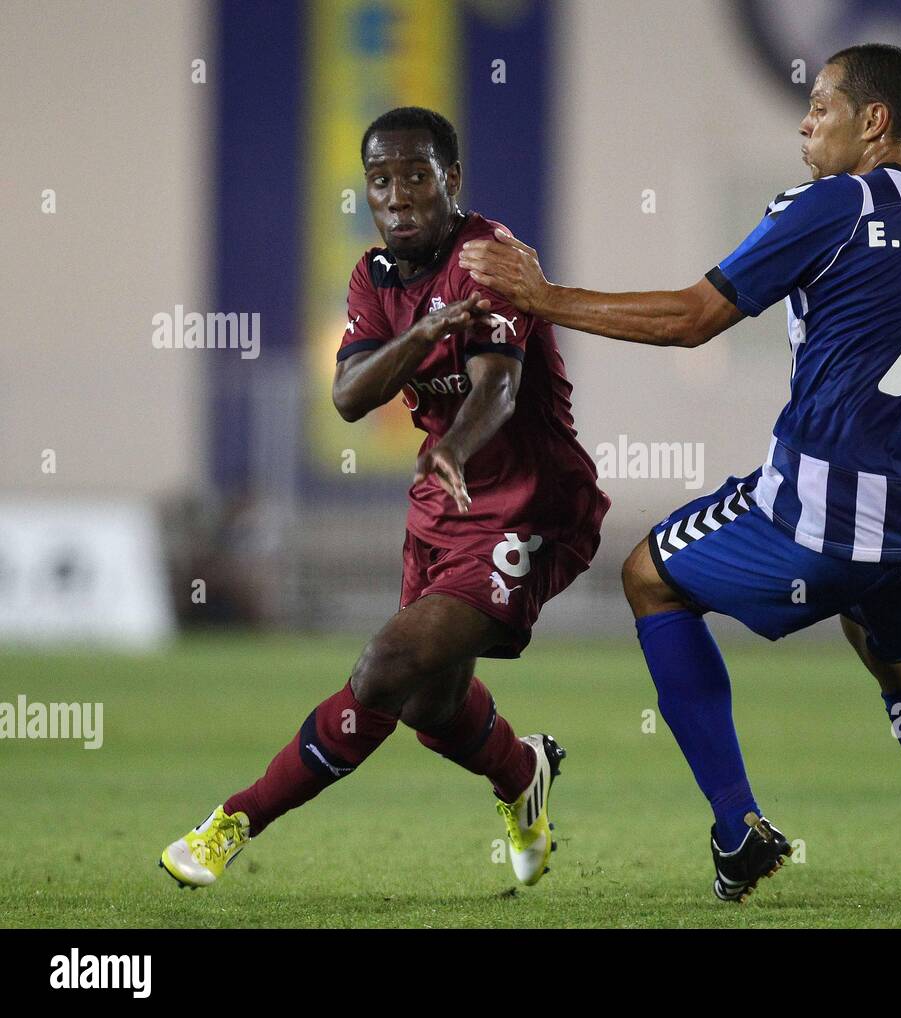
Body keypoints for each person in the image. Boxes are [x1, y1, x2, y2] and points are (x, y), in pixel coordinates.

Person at [459, 45, 901, 906]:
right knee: (895, 650)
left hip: (823, 515)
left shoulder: (828, 207)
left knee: (649, 576)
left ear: (874, 121)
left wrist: (543, 298)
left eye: (822, 104)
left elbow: (693, 319)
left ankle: (737, 829)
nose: (806, 122)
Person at [161, 107, 609, 889]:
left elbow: (497, 390)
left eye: (415, 176)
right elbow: (346, 395)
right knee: (431, 711)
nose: (397, 194)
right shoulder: (372, 278)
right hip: (443, 507)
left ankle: (231, 823)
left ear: (452, 181)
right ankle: (522, 770)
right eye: (380, 180)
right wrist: (425, 331)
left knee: (385, 666)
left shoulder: (491, 258)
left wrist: (455, 450)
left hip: (528, 503)